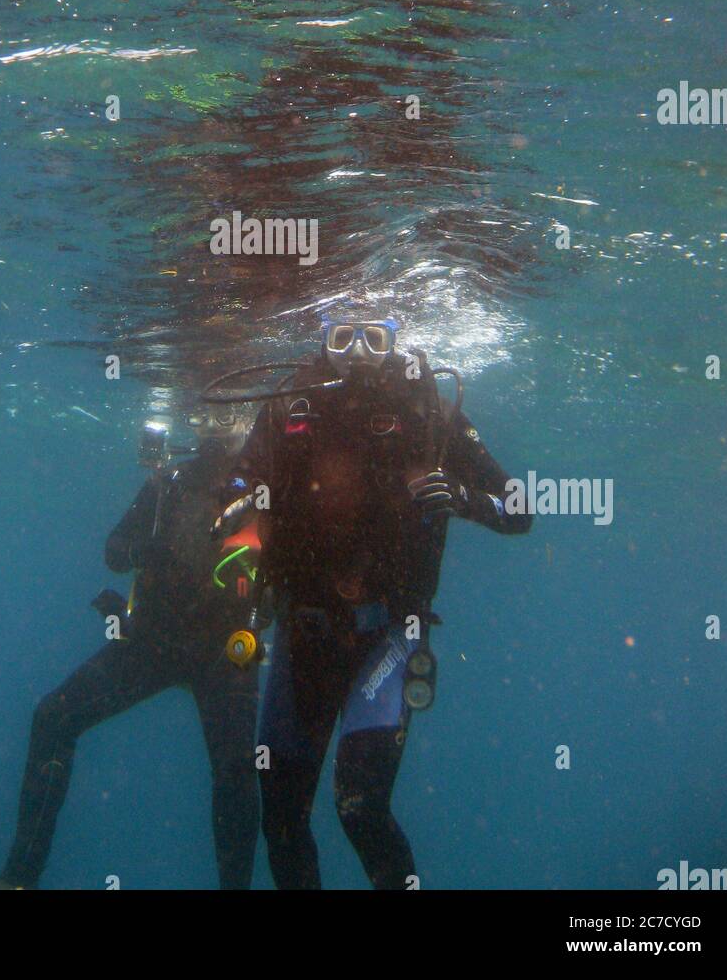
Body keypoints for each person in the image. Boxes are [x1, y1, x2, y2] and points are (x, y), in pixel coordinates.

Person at [215, 313, 531, 890]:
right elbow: (239, 477)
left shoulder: (427, 411)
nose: (357, 353)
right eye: (341, 337)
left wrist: (463, 497)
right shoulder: (290, 406)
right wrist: (236, 504)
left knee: (359, 806)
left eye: (375, 337)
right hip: (302, 634)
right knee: (282, 816)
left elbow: (519, 508)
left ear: (393, 344)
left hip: (386, 634)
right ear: (322, 343)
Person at [0, 408, 261, 890]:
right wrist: (149, 551)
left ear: (248, 419)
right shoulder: (169, 483)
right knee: (53, 717)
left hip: (225, 652)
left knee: (237, 767)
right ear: (193, 419)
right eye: (206, 414)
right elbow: (115, 551)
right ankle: (18, 879)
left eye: (230, 414)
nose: (217, 427)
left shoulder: (266, 490)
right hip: (151, 643)